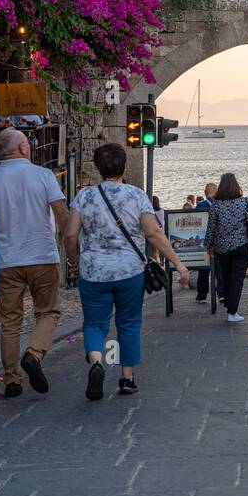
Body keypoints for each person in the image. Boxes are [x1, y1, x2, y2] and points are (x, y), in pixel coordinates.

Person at [63, 143, 190, 401]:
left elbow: (70, 234)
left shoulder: (83, 197)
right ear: (124, 166)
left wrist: (74, 259)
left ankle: (97, 363)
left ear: (98, 167)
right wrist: (178, 263)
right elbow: (153, 233)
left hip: (94, 272)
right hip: (129, 271)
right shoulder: (136, 195)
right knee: (129, 323)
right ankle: (127, 378)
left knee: (95, 323)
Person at [0, 128, 70, 398]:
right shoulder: (43, 175)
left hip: (8, 260)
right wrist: (73, 250)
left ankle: (12, 380)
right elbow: (62, 215)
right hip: (42, 256)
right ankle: (34, 353)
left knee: (10, 321)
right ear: (23, 148)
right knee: (48, 312)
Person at [205, 173, 248, 323]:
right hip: (241, 244)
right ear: (236, 186)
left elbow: (211, 226)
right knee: (237, 278)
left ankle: (229, 304)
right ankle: (232, 312)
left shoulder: (215, 204)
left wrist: (209, 245)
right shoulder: (244, 202)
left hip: (222, 247)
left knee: (226, 276)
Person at [193, 182, 223, 307]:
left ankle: (202, 295)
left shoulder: (200, 206)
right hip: (219, 241)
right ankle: (221, 294)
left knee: (203, 270)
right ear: (216, 192)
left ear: (206, 193)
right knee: (220, 270)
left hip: (204, 242)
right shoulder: (221, 205)